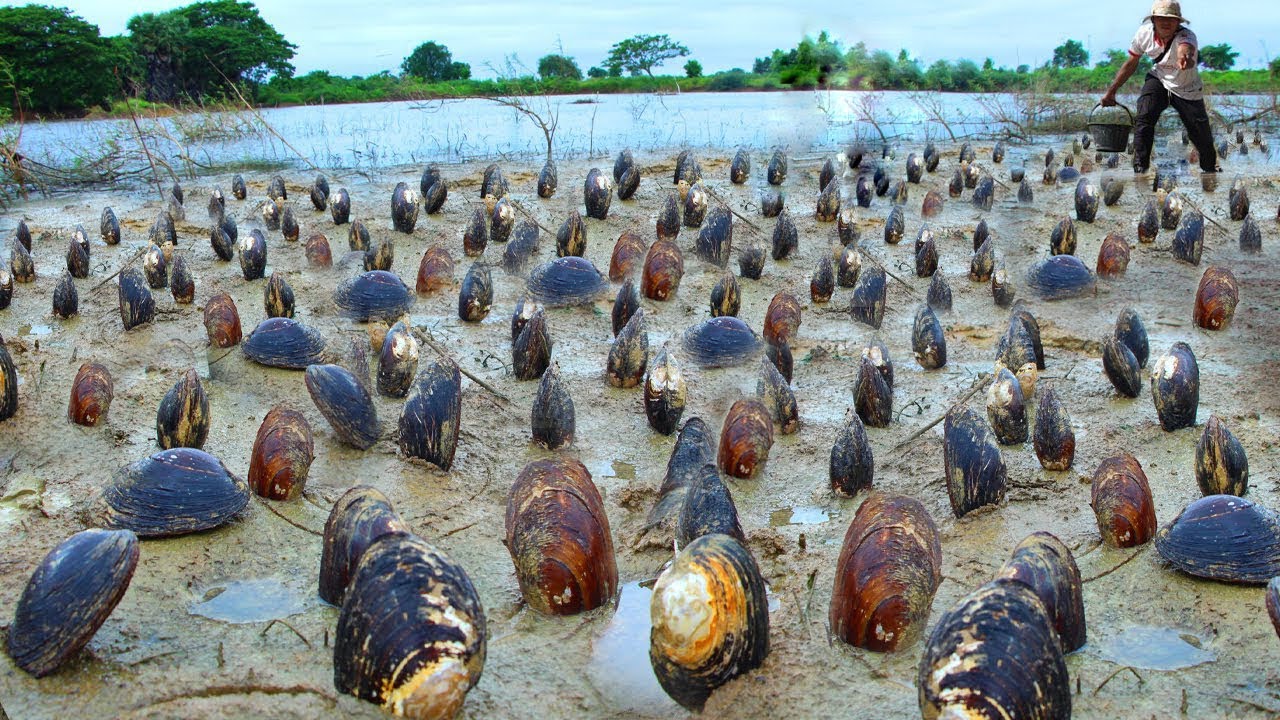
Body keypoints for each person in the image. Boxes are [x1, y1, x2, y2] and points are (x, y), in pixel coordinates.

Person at [1101, 0, 1218, 175]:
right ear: (1153, 20)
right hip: (1159, 79)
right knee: (1144, 117)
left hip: (1187, 87)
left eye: (1171, 19)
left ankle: (1209, 171)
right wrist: (1112, 91)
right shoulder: (1144, 34)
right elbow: (1131, 63)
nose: (1165, 22)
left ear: (1178, 22)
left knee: (1200, 134)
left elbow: (1185, 49)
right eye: (1161, 18)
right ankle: (1140, 169)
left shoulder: (1187, 36)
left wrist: (1184, 59)